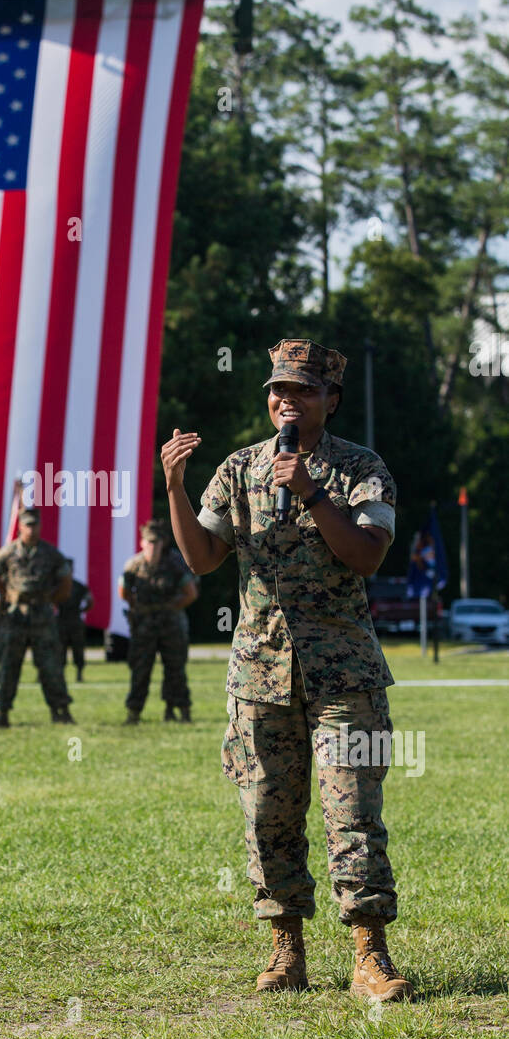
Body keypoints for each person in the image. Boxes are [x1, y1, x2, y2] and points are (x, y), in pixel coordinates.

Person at [162, 337, 414, 1002]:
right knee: (268, 813)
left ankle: (370, 954)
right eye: (278, 388)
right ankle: (286, 948)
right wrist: (174, 487)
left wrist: (311, 493)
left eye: (301, 390)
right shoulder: (242, 467)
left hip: (344, 678)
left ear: (329, 399)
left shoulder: (362, 468)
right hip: (261, 675)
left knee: (353, 813)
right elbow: (203, 559)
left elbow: (365, 556)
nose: (286, 400)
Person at [0, 507, 74, 727]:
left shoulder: (51, 553)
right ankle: (2, 711)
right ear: (20, 527)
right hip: (16, 616)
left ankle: (60, 710)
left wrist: (52, 599)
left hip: (42, 616)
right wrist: (7, 593)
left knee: (50, 665)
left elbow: (65, 581)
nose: (31, 529)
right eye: (27, 525)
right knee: (9, 665)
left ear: (40, 526)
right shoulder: (8, 552)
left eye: (35, 524)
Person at [119, 519, 198, 724]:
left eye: (156, 542)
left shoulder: (174, 563)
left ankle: (180, 710)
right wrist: (138, 607)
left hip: (171, 624)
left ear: (162, 543)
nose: (152, 546)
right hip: (143, 624)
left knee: (175, 668)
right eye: (149, 542)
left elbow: (190, 593)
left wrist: (171, 607)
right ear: (142, 543)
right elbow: (124, 592)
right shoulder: (134, 565)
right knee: (140, 669)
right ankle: (133, 713)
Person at [56, 561, 93, 681]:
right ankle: (62, 673)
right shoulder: (58, 586)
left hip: (73, 621)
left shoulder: (78, 586)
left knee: (78, 649)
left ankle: (79, 673)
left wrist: (81, 610)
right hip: (62, 621)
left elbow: (90, 601)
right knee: (60, 650)